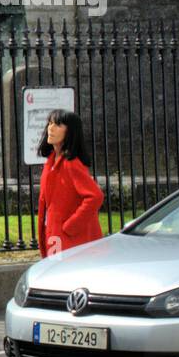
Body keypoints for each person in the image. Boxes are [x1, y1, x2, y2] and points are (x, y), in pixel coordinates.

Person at [36, 109, 104, 258]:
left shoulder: (71, 163)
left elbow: (95, 197)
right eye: (50, 123)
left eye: (58, 124)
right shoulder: (51, 161)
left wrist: (70, 226)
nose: (50, 128)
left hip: (69, 238)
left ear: (70, 132)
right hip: (53, 233)